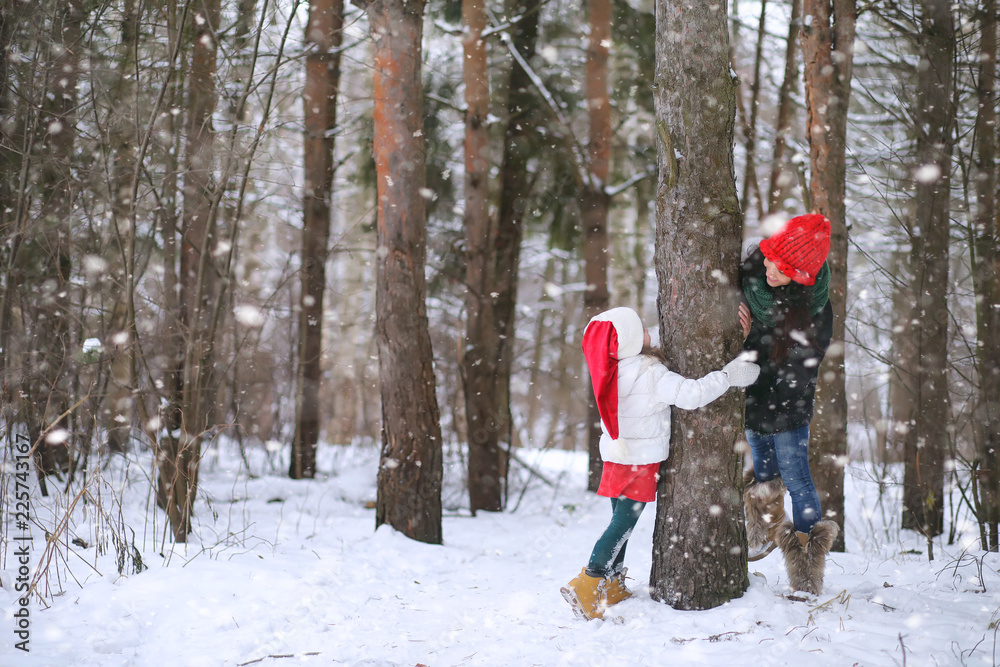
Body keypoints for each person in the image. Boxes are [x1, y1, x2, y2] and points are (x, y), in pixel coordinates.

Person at [560, 306, 760, 620]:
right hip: (639, 463)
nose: (646, 330)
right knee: (622, 526)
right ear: (628, 341)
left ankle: (610, 584)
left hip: (617, 457)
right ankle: (589, 581)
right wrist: (727, 375)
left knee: (621, 526)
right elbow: (691, 395)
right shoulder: (650, 372)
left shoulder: (611, 370)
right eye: (639, 328)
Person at [738, 213, 839, 595]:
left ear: (800, 275)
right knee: (763, 472)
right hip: (753, 400)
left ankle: (806, 570)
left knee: (796, 478)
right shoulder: (750, 280)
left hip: (789, 406)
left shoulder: (814, 309)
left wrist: (751, 339)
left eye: (779, 266)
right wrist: (742, 335)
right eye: (768, 257)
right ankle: (761, 532)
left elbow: (796, 364)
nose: (767, 268)